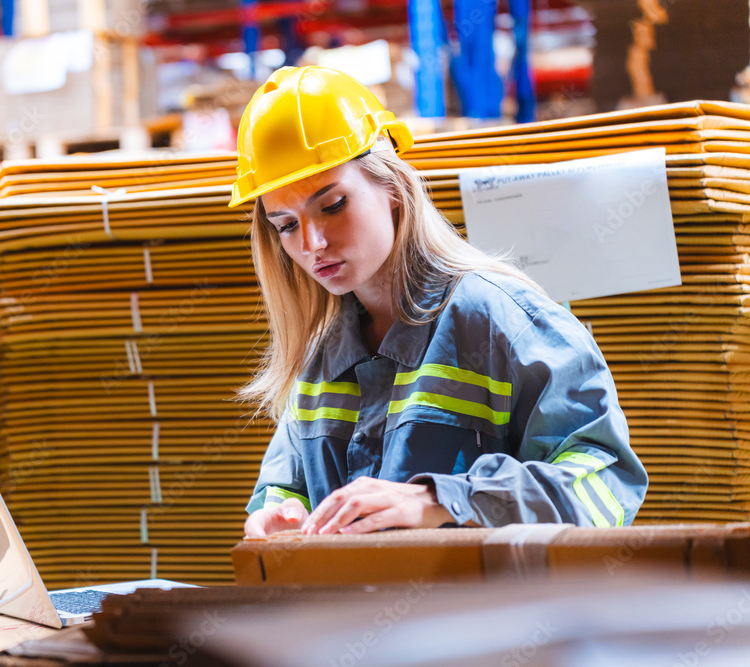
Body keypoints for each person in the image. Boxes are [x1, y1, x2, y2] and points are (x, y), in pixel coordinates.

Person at [230, 66, 648, 538]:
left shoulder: (503, 322)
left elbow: (605, 484)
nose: (312, 243)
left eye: (332, 206)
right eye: (286, 224)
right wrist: (281, 512)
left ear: (391, 188)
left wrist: (439, 500)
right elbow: (285, 485)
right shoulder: (319, 359)